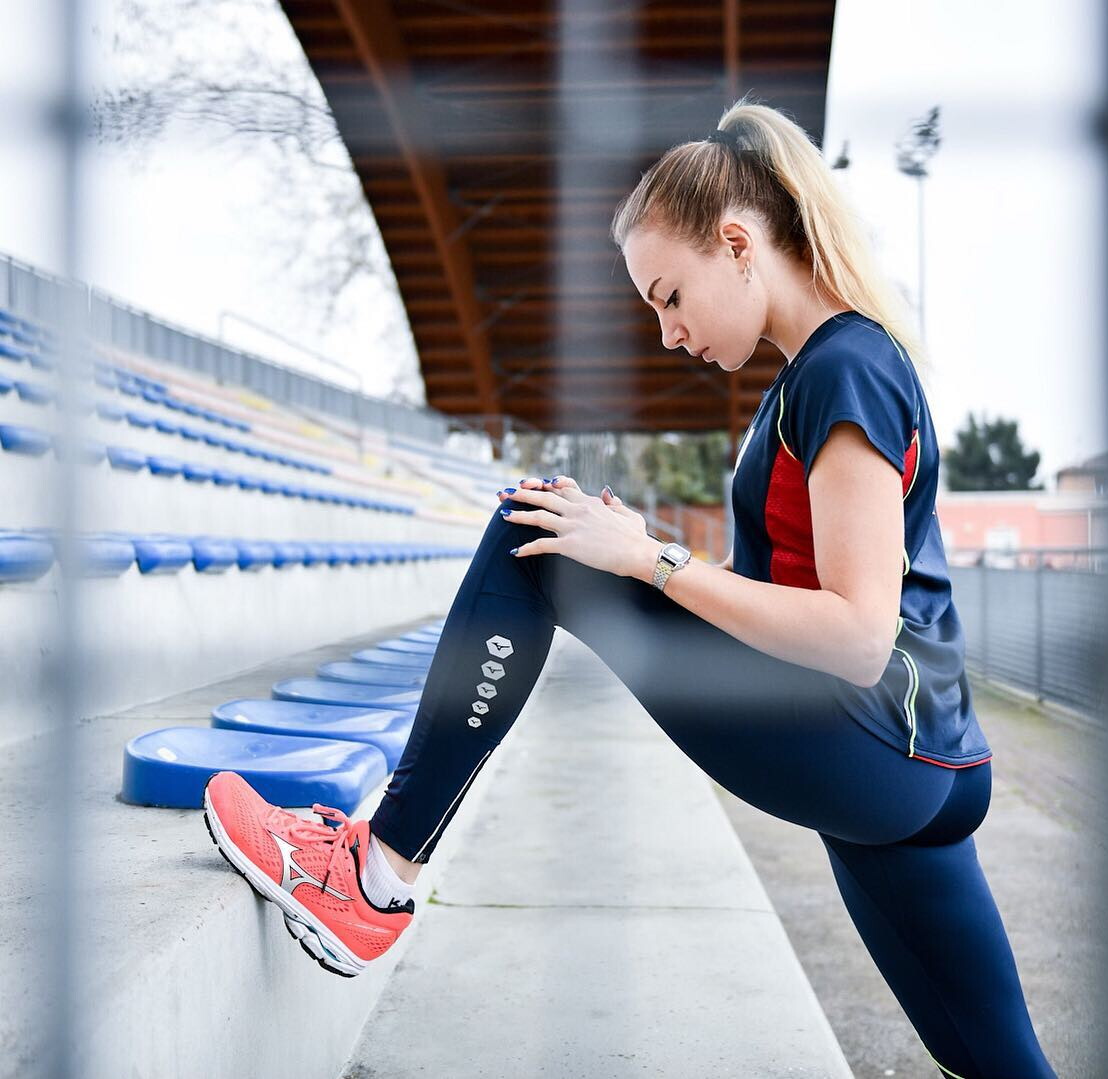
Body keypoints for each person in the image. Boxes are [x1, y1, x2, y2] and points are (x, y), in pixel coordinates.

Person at [203, 96, 1057, 1077]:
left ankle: (376, 876)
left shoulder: (845, 368)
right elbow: (799, 594)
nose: (664, 332)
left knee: (543, 530)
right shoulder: (814, 372)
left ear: (737, 243)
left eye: (669, 294)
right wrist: (653, 557)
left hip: (878, 742)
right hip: (924, 764)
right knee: (998, 1062)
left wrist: (645, 556)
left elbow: (859, 633)